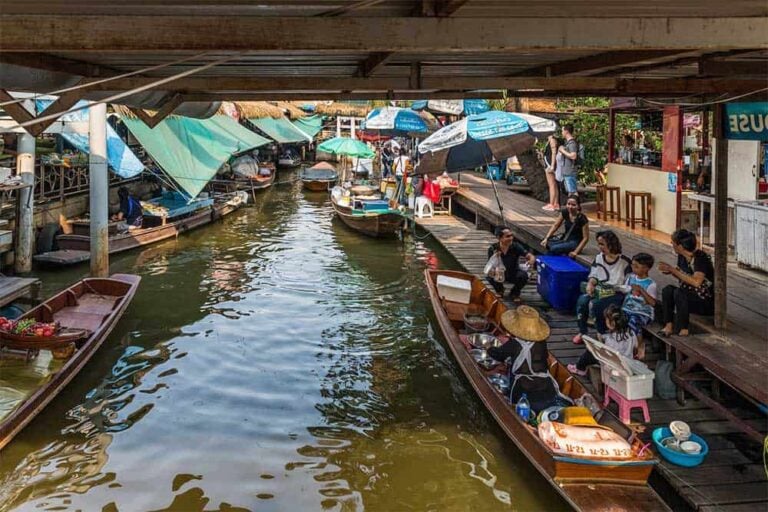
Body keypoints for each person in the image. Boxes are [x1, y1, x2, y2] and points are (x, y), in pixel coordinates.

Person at [488, 306, 565, 411]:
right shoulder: (541, 343)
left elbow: (498, 354)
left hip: (523, 388)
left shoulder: (514, 344)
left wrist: (488, 347)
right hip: (545, 384)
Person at [573, 230, 631, 345]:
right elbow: (594, 275)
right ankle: (582, 331)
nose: (600, 247)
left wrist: (614, 288)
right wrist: (590, 284)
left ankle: (602, 332)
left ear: (611, 244)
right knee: (582, 301)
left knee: (597, 305)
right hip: (600, 289)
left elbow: (628, 284)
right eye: (599, 244)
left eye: (602, 244)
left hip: (617, 293)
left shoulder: (624, 262)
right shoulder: (599, 258)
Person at [658, 229, 714, 337]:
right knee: (668, 290)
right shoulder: (682, 257)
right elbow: (684, 276)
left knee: (679, 293)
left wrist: (673, 270)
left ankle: (684, 328)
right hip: (689, 297)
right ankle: (668, 325)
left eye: (673, 242)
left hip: (704, 301)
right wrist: (671, 271)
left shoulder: (700, 258)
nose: (671, 244)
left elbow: (697, 282)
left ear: (680, 246)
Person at [567, 304, 637, 377]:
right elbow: (635, 347)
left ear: (611, 324)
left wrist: (599, 342)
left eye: (606, 319)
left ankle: (580, 369)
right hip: (627, 362)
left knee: (589, 353)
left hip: (612, 364)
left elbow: (605, 353)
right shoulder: (631, 333)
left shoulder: (611, 339)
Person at [619, 253, 657, 359]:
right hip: (627, 308)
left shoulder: (651, 284)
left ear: (646, 269)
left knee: (633, 321)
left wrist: (641, 290)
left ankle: (640, 346)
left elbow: (653, 303)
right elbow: (625, 289)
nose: (633, 268)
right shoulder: (630, 278)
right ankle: (622, 344)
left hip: (642, 312)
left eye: (636, 266)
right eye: (632, 265)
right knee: (618, 318)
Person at [487, 227, 536, 301]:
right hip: (500, 273)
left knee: (524, 276)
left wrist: (531, 260)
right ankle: (500, 290)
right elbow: (490, 265)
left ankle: (514, 293)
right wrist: (494, 270)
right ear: (499, 238)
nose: (511, 238)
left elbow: (530, 256)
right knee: (489, 275)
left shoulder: (516, 246)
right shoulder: (493, 248)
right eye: (507, 236)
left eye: (511, 235)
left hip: (513, 272)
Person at [557, 123, 579, 195]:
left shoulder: (572, 143)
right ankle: (572, 205)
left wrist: (562, 151)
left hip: (570, 171)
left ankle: (575, 205)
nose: (562, 132)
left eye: (562, 130)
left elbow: (573, 156)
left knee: (573, 192)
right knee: (571, 191)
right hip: (568, 171)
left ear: (566, 131)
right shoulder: (568, 143)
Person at [542, 135, 560, 211]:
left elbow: (554, 152)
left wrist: (552, 165)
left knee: (551, 184)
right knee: (554, 185)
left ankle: (552, 204)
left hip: (550, 164)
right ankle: (556, 203)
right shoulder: (550, 139)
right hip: (549, 163)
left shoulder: (552, 139)